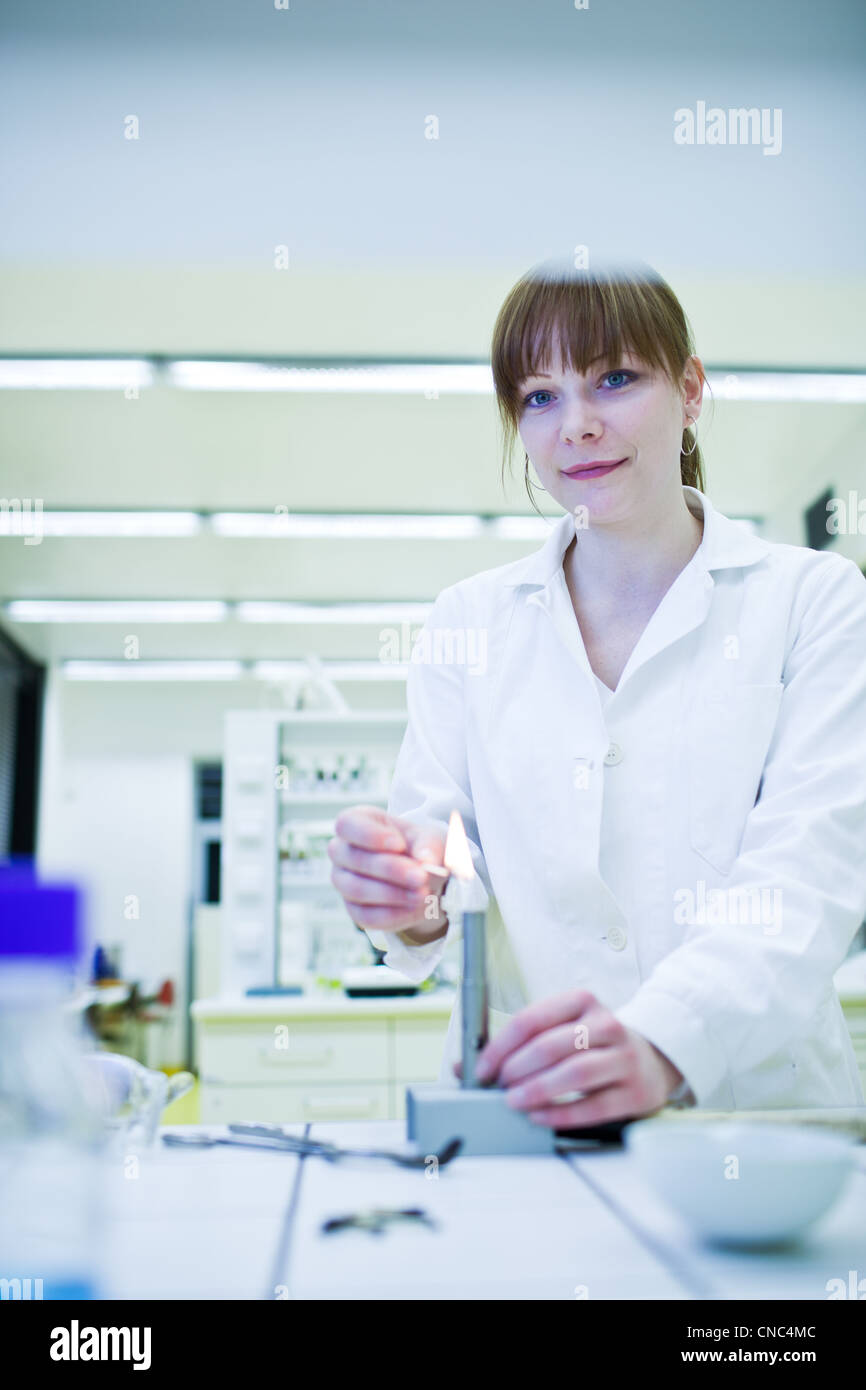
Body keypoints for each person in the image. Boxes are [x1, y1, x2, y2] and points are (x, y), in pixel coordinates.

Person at [328, 256, 866, 1127]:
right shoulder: (469, 620)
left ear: (690, 390)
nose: (576, 426)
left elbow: (812, 865)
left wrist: (666, 1041)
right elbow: (442, 867)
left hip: (761, 1120)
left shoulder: (813, 601)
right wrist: (404, 890)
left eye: (615, 379)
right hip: (534, 1111)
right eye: (540, 397)